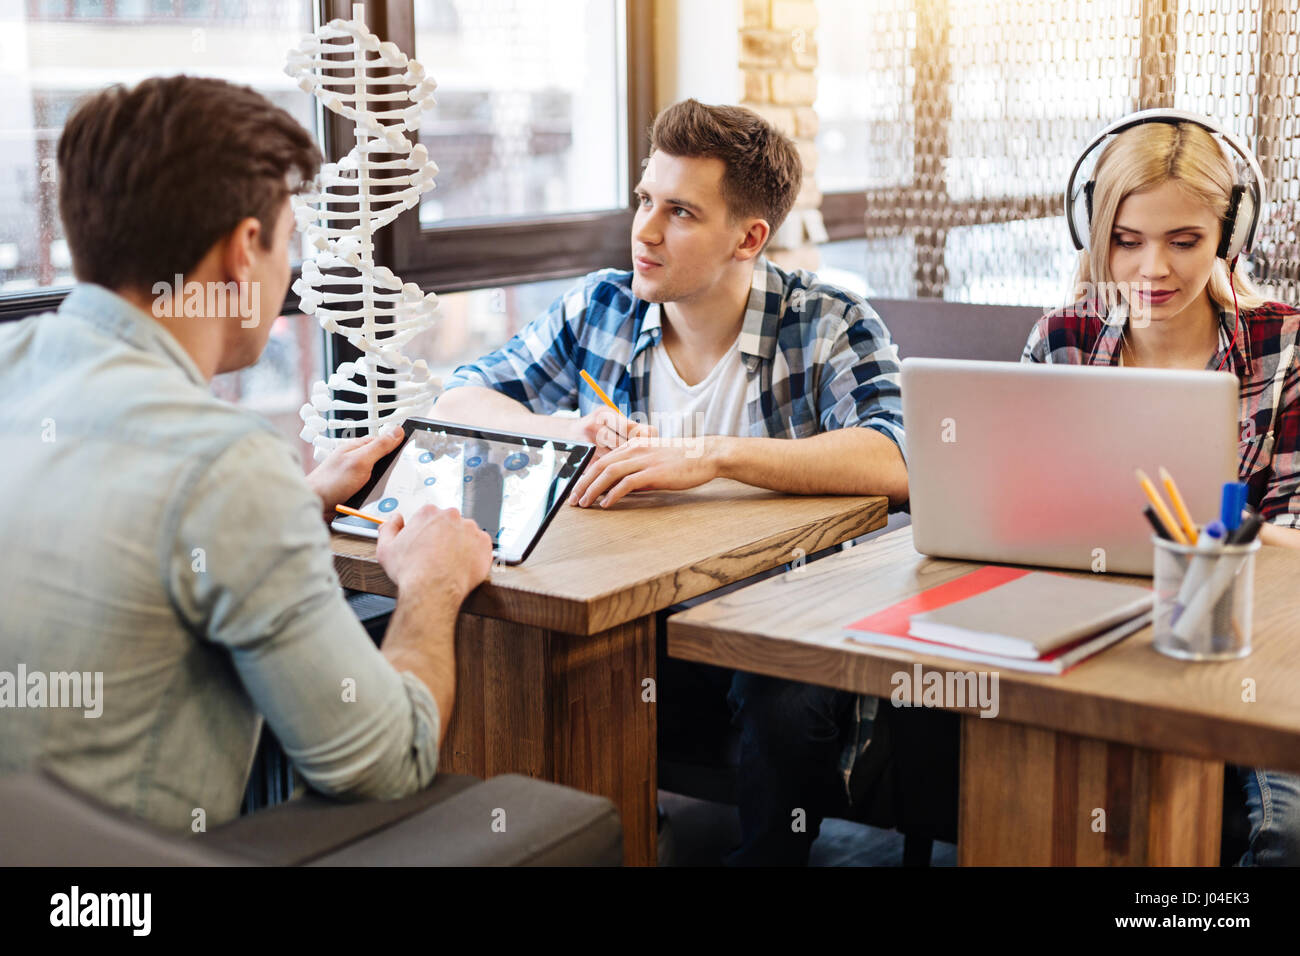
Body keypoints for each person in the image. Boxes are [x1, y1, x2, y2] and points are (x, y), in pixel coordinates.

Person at [0, 76, 494, 831]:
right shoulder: (222, 462)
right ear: (245, 249)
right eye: (290, 241)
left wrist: (291, 504)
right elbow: (387, 763)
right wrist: (432, 581)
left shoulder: (15, 366)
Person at [432, 98, 909, 865]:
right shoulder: (602, 306)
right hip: (630, 615)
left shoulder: (828, 320)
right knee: (521, 645)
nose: (646, 232)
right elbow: (460, 397)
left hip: (772, 627)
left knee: (779, 694)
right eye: (645, 200)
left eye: (681, 212)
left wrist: (714, 457)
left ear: (749, 237)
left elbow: (894, 458)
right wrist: (568, 429)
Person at [1023, 113, 1300, 865]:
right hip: (1090, 625)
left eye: (1185, 241)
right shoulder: (1063, 341)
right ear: (1094, 231)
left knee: (1285, 831)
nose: (1152, 270)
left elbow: (1295, 539)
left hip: (1245, 642)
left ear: (1229, 236)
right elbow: (1017, 505)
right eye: (1126, 240)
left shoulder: (1285, 346)